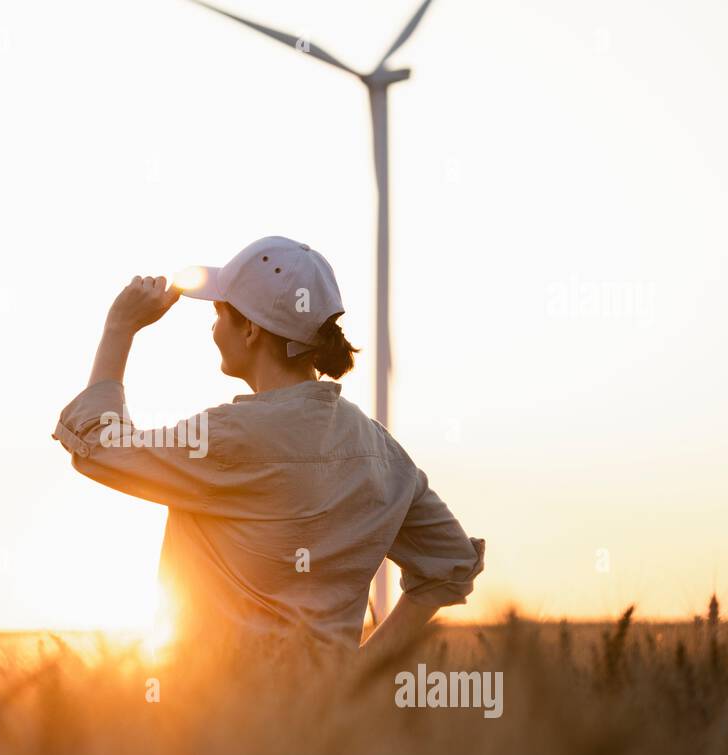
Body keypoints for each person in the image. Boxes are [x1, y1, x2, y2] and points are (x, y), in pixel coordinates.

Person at [52, 236, 484, 662]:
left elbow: (97, 444)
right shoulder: (380, 451)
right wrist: (357, 678)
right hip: (331, 725)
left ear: (251, 328)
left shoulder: (227, 437)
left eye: (220, 314)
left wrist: (119, 329)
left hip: (221, 719)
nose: (213, 327)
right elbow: (450, 563)